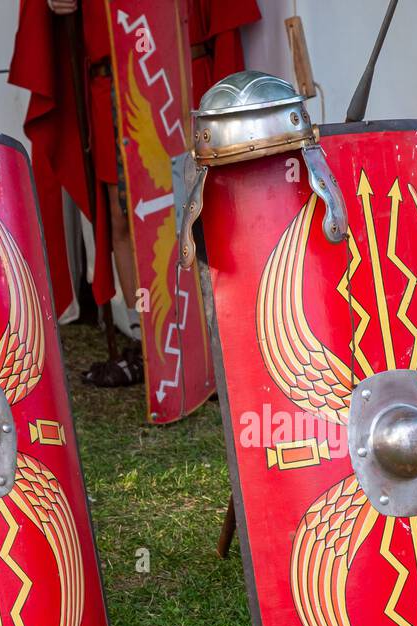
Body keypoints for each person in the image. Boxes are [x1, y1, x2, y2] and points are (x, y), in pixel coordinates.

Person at [45, 0, 259, 386]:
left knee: (195, 206)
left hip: (179, 69)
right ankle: (148, 345)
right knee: (121, 214)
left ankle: (209, 340)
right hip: (111, 83)